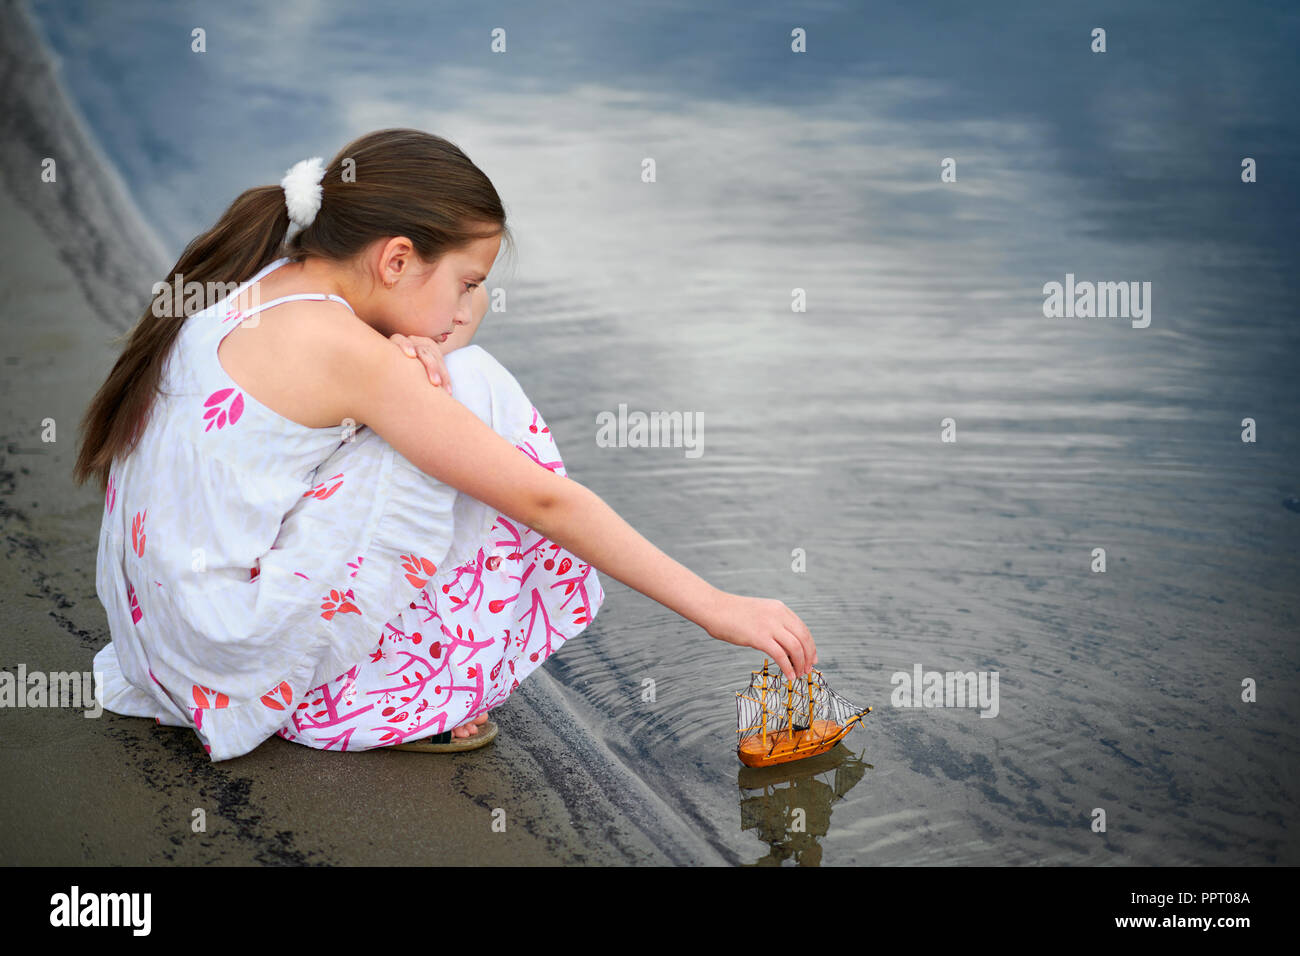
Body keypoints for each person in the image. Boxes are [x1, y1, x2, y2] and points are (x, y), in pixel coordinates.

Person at [73, 127, 817, 761]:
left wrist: (418, 338)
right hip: (224, 653)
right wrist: (716, 605)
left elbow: (358, 375)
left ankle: (368, 668)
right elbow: (540, 497)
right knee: (477, 388)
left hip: (164, 643)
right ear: (395, 261)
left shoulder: (266, 277)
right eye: (466, 282)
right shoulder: (342, 349)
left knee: (447, 385)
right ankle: (407, 692)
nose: (472, 305)